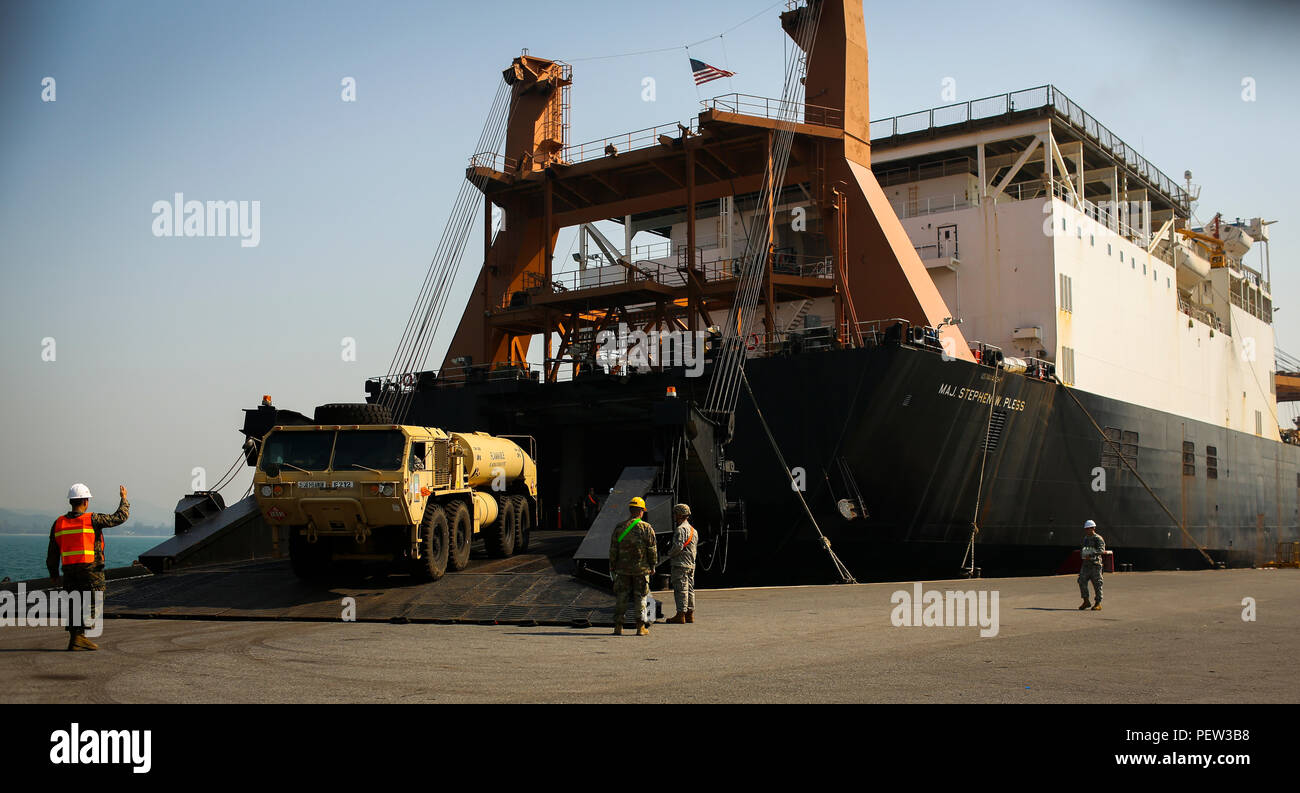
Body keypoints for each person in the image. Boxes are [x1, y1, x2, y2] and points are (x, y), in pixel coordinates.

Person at [46, 483, 130, 651]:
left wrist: (54, 573)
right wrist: (124, 499)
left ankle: (76, 638)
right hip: (91, 571)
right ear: (85, 501)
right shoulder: (92, 519)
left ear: (71, 501)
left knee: (73, 603)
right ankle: (79, 636)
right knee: (95, 600)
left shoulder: (58, 523)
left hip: (69, 571)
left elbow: (52, 554)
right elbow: (120, 517)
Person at [609, 496, 657, 636]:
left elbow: (613, 549)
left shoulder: (619, 527)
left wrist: (612, 565)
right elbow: (652, 549)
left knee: (621, 597)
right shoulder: (646, 528)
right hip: (640, 570)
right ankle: (640, 627)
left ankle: (618, 627)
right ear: (642, 511)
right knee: (640, 597)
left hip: (622, 569)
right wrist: (653, 565)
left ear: (630, 510)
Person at [663, 504, 697, 624]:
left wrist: (669, 554)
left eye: (675, 513)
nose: (674, 516)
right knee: (690, 589)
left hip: (680, 564)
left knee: (681, 589)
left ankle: (680, 614)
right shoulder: (693, 530)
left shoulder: (681, 529)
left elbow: (678, 546)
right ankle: (690, 614)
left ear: (679, 515)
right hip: (691, 564)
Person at [1078, 519, 1105, 611]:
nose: (1087, 530)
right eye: (1086, 529)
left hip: (1095, 565)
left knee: (1097, 584)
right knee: (1081, 581)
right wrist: (1083, 554)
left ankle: (1098, 603)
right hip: (1086, 565)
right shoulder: (1085, 538)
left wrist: (1091, 554)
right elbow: (1084, 548)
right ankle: (1086, 601)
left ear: (1093, 528)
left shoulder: (1098, 538)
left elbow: (1101, 550)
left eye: (1088, 528)